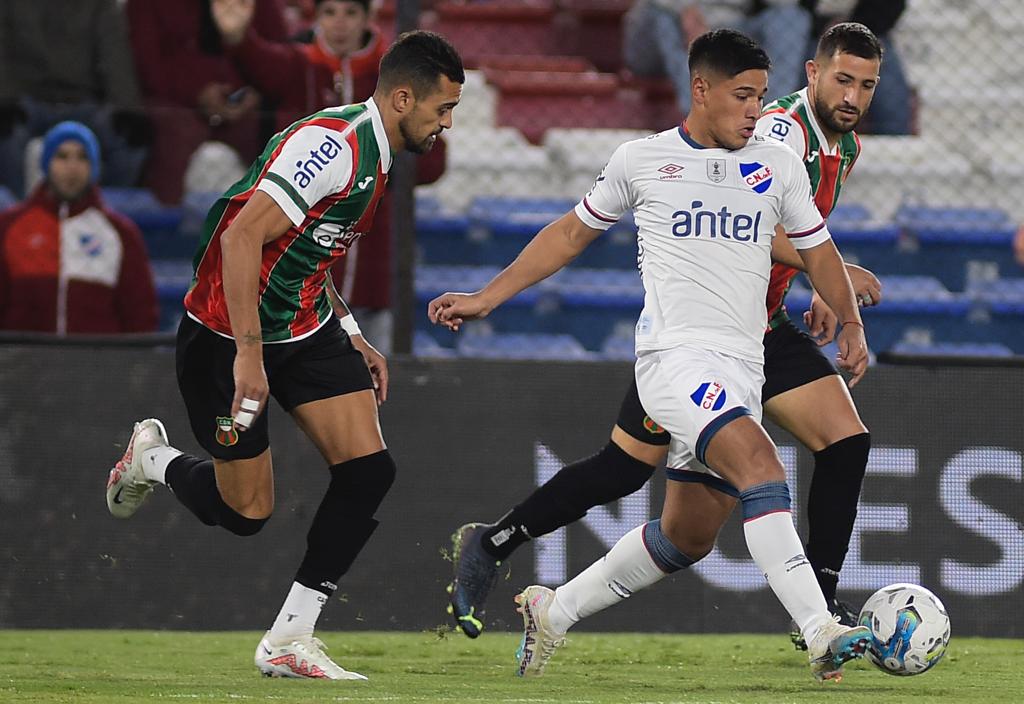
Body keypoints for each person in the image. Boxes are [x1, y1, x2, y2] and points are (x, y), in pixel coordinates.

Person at [430, 29, 872, 682]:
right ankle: (820, 627)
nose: (757, 111)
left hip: (745, 364)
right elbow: (570, 234)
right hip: (676, 363)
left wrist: (853, 323)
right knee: (760, 466)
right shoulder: (644, 159)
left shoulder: (773, 167)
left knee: (687, 536)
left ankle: (555, 609)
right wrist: (489, 296)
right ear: (701, 90)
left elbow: (815, 248)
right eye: (744, 97)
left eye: (759, 96)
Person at [104, 30, 464, 680]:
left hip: (306, 329)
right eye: (442, 110)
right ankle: (153, 460)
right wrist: (248, 357)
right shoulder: (333, 145)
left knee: (368, 472)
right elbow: (243, 238)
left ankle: (289, 640)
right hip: (224, 338)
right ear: (403, 97)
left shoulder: (378, 155)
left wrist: (351, 331)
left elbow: (307, 251)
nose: (446, 124)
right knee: (245, 514)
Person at [211, 0, 449, 352]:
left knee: (367, 382)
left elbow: (433, 161)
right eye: (330, 12)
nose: (339, 23)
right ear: (316, 17)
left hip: (372, 256)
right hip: (293, 273)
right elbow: (258, 60)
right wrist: (237, 35)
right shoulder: (298, 65)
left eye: (350, 13)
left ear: (368, 18)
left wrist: (380, 158)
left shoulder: (396, 76)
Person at [123, 0, 290, 204]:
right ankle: (171, 223)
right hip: (176, 105)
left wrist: (254, 93)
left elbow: (281, 58)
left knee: (272, 131)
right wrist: (196, 93)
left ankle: (269, 218)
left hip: (246, 104)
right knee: (173, 133)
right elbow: (147, 65)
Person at [0, 121, 158, 334]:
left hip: (98, 366)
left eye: (82, 157)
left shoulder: (121, 234)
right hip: (21, 365)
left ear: (93, 166)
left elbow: (140, 315)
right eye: (62, 156)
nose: (72, 167)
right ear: (46, 163)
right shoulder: (9, 227)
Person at [0, 0, 149, 197]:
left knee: (130, 141)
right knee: (6, 135)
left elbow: (115, 56)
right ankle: (18, 215)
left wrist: (127, 108)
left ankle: (101, 213)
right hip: (27, 100)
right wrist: (5, 100)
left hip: (85, 102)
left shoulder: (101, 5)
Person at [623, 0, 811, 116]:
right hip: (658, 30)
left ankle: (767, 122)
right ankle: (701, 125)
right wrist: (684, 8)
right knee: (667, 20)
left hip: (732, 25)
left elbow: (785, 5)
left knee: (792, 18)